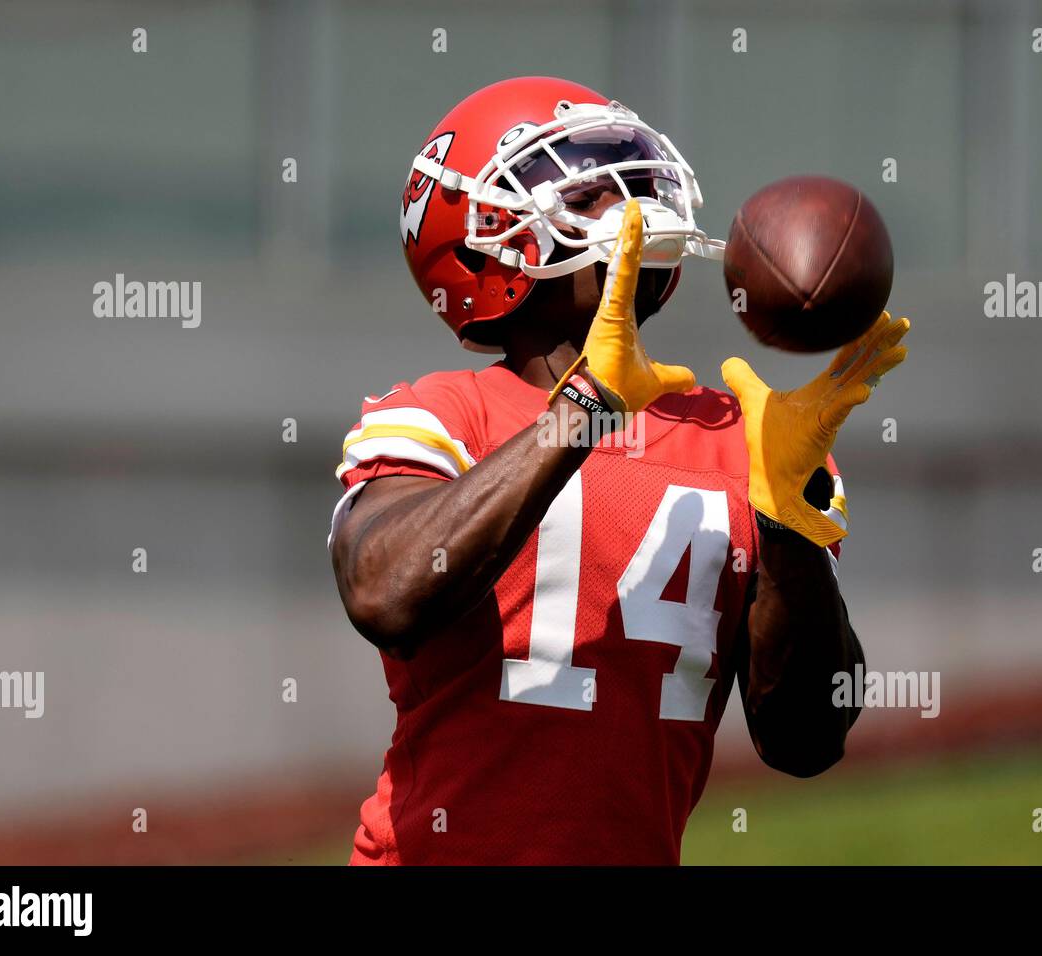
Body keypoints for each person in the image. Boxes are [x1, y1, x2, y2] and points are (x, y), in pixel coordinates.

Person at [329, 76, 910, 865]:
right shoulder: (442, 413)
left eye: (637, 174)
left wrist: (786, 527)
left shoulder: (742, 439)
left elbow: (806, 738)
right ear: (488, 235)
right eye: (596, 184)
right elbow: (385, 595)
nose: (636, 200)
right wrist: (586, 412)